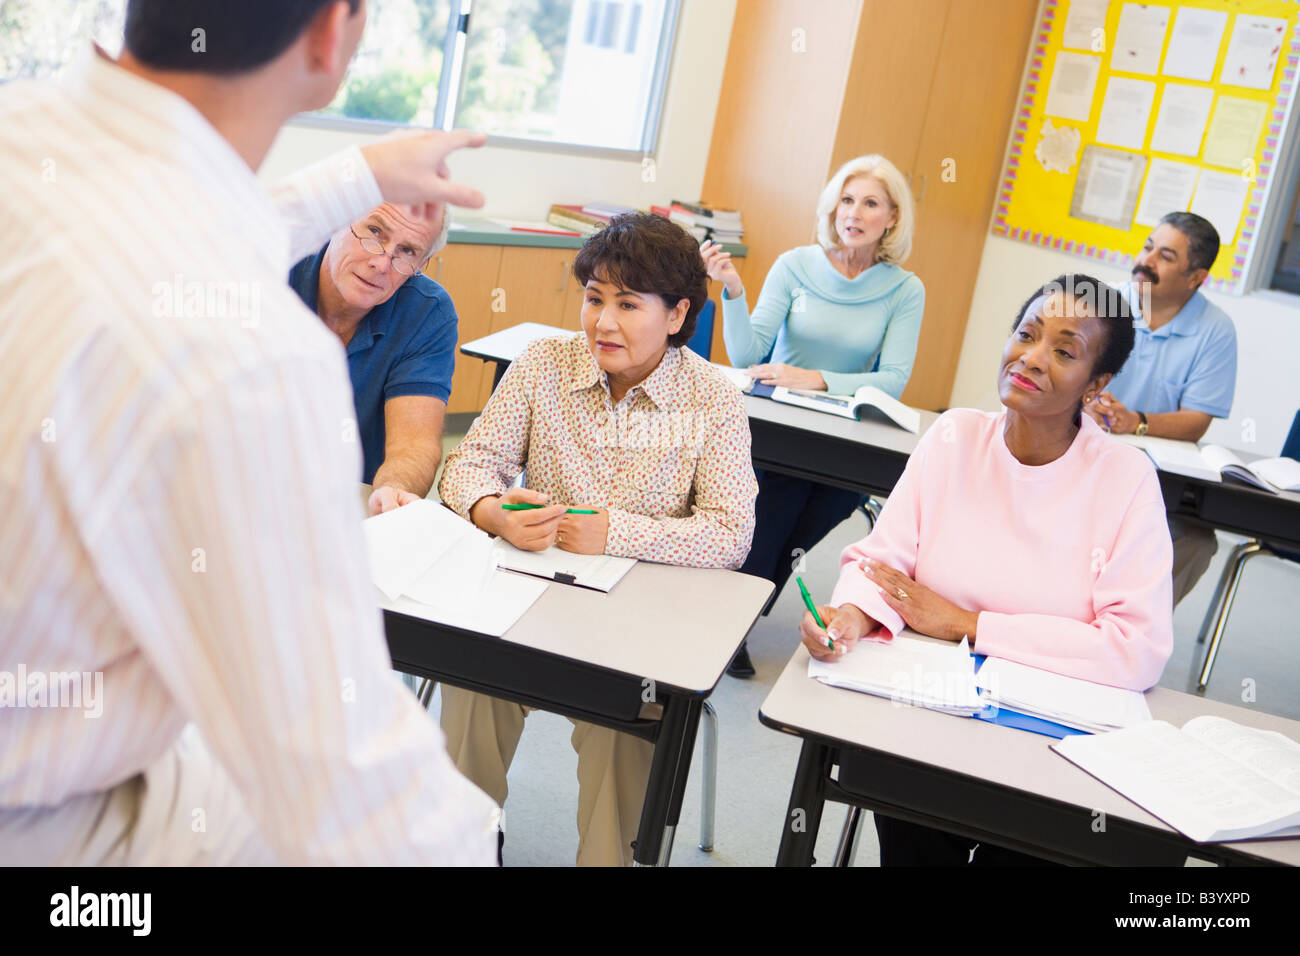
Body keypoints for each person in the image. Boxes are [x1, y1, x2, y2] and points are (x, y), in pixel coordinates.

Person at [0, 0, 502, 864]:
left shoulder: (26, 133)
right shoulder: (256, 360)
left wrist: (354, 180)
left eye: (405, 250)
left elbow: (155, 231)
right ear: (332, 33)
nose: (385, 261)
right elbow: (337, 775)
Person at [801, 274, 1173, 865]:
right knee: (906, 816)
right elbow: (880, 561)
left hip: (1048, 747)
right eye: (1026, 334)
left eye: (1064, 350)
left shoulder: (1125, 479)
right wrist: (849, 614)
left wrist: (967, 623)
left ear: (1097, 383)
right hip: (927, 722)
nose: (1031, 358)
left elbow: (1135, 648)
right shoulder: (953, 437)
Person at [437, 212, 758, 865]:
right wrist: (494, 511)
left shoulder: (713, 400)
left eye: (628, 304)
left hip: (634, 621)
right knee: (470, 683)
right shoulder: (542, 365)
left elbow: (730, 534)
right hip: (526, 599)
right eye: (593, 299)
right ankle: (465, 845)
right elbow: (466, 467)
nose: (602, 323)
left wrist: (617, 533)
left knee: (627, 728)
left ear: (676, 315)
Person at [701, 154, 925, 678]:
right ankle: (729, 627)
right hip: (780, 428)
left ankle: (740, 617)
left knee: (802, 531)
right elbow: (747, 353)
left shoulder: (904, 290)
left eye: (870, 203)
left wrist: (818, 379)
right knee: (772, 521)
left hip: (846, 438)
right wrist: (733, 289)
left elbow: (893, 379)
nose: (855, 212)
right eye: (847, 200)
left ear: (891, 217)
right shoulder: (796, 266)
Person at [1082, 212, 1237, 606]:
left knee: (1197, 541)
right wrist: (1085, 399)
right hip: (1084, 457)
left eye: (1165, 256)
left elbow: (1196, 421)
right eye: (1148, 246)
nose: (1146, 261)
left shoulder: (1216, 331)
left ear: (1195, 278)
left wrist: (1137, 422)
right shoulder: (1103, 302)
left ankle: (1128, 630)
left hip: (1156, 478)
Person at [289, 201, 455, 516]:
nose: (382, 263)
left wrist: (394, 489)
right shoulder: (272, 273)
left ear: (424, 263)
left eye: (407, 251)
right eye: (375, 232)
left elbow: (414, 447)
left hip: (346, 510)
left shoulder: (427, 313)